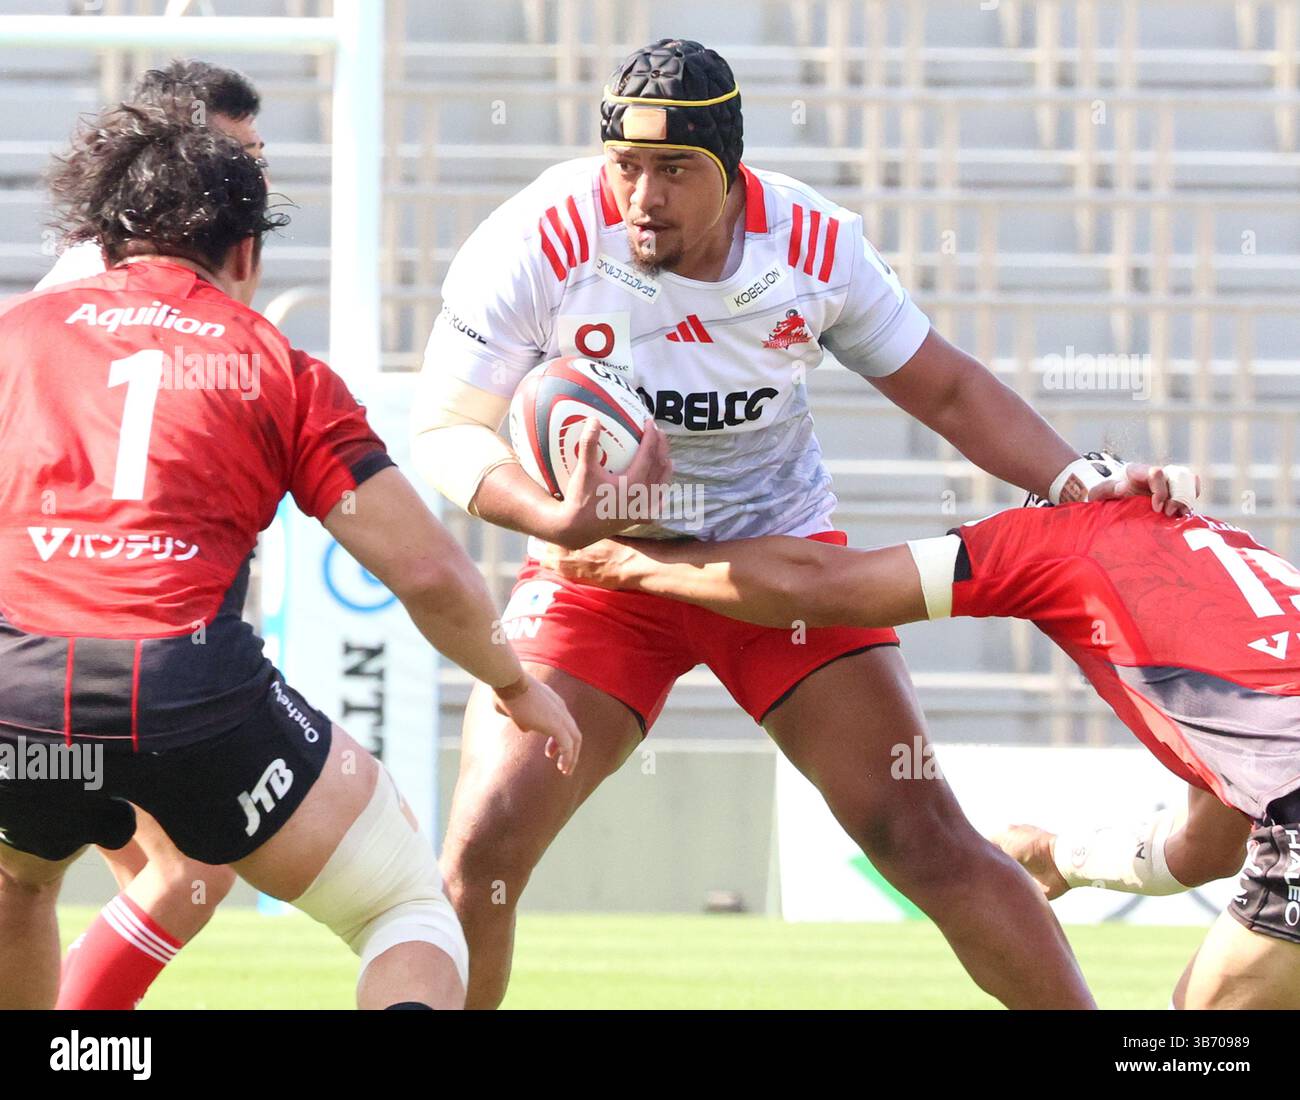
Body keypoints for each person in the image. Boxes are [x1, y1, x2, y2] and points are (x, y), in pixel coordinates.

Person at [413, 38, 1193, 1008]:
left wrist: (1077, 476)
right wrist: (554, 515)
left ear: (730, 170)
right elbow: (445, 428)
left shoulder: (817, 245)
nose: (641, 197)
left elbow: (945, 388)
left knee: (925, 839)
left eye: (673, 171)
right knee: (481, 848)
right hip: (601, 572)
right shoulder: (539, 236)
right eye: (624, 166)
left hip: (774, 569)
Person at [0, 103, 579, 1011]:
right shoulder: (276, 366)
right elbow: (426, 572)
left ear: (102, 242)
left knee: (17, 885)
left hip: (18, 700)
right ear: (247, 255)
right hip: (193, 705)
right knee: (402, 909)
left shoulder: (16, 337)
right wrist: (513, 684)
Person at [545, 455, 1300, 1009]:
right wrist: (1061, 859)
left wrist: (630, 563)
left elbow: (825, 586)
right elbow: (1208, 846)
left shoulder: (1045, 539)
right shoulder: (1233, 561)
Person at [34, 59, 268, 1010]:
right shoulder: (114, 299)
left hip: (68, 645)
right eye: (238, 155)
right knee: (189, 870)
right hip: (66, 642)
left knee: (151, 875)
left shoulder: (106, 280)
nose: (256, 181)